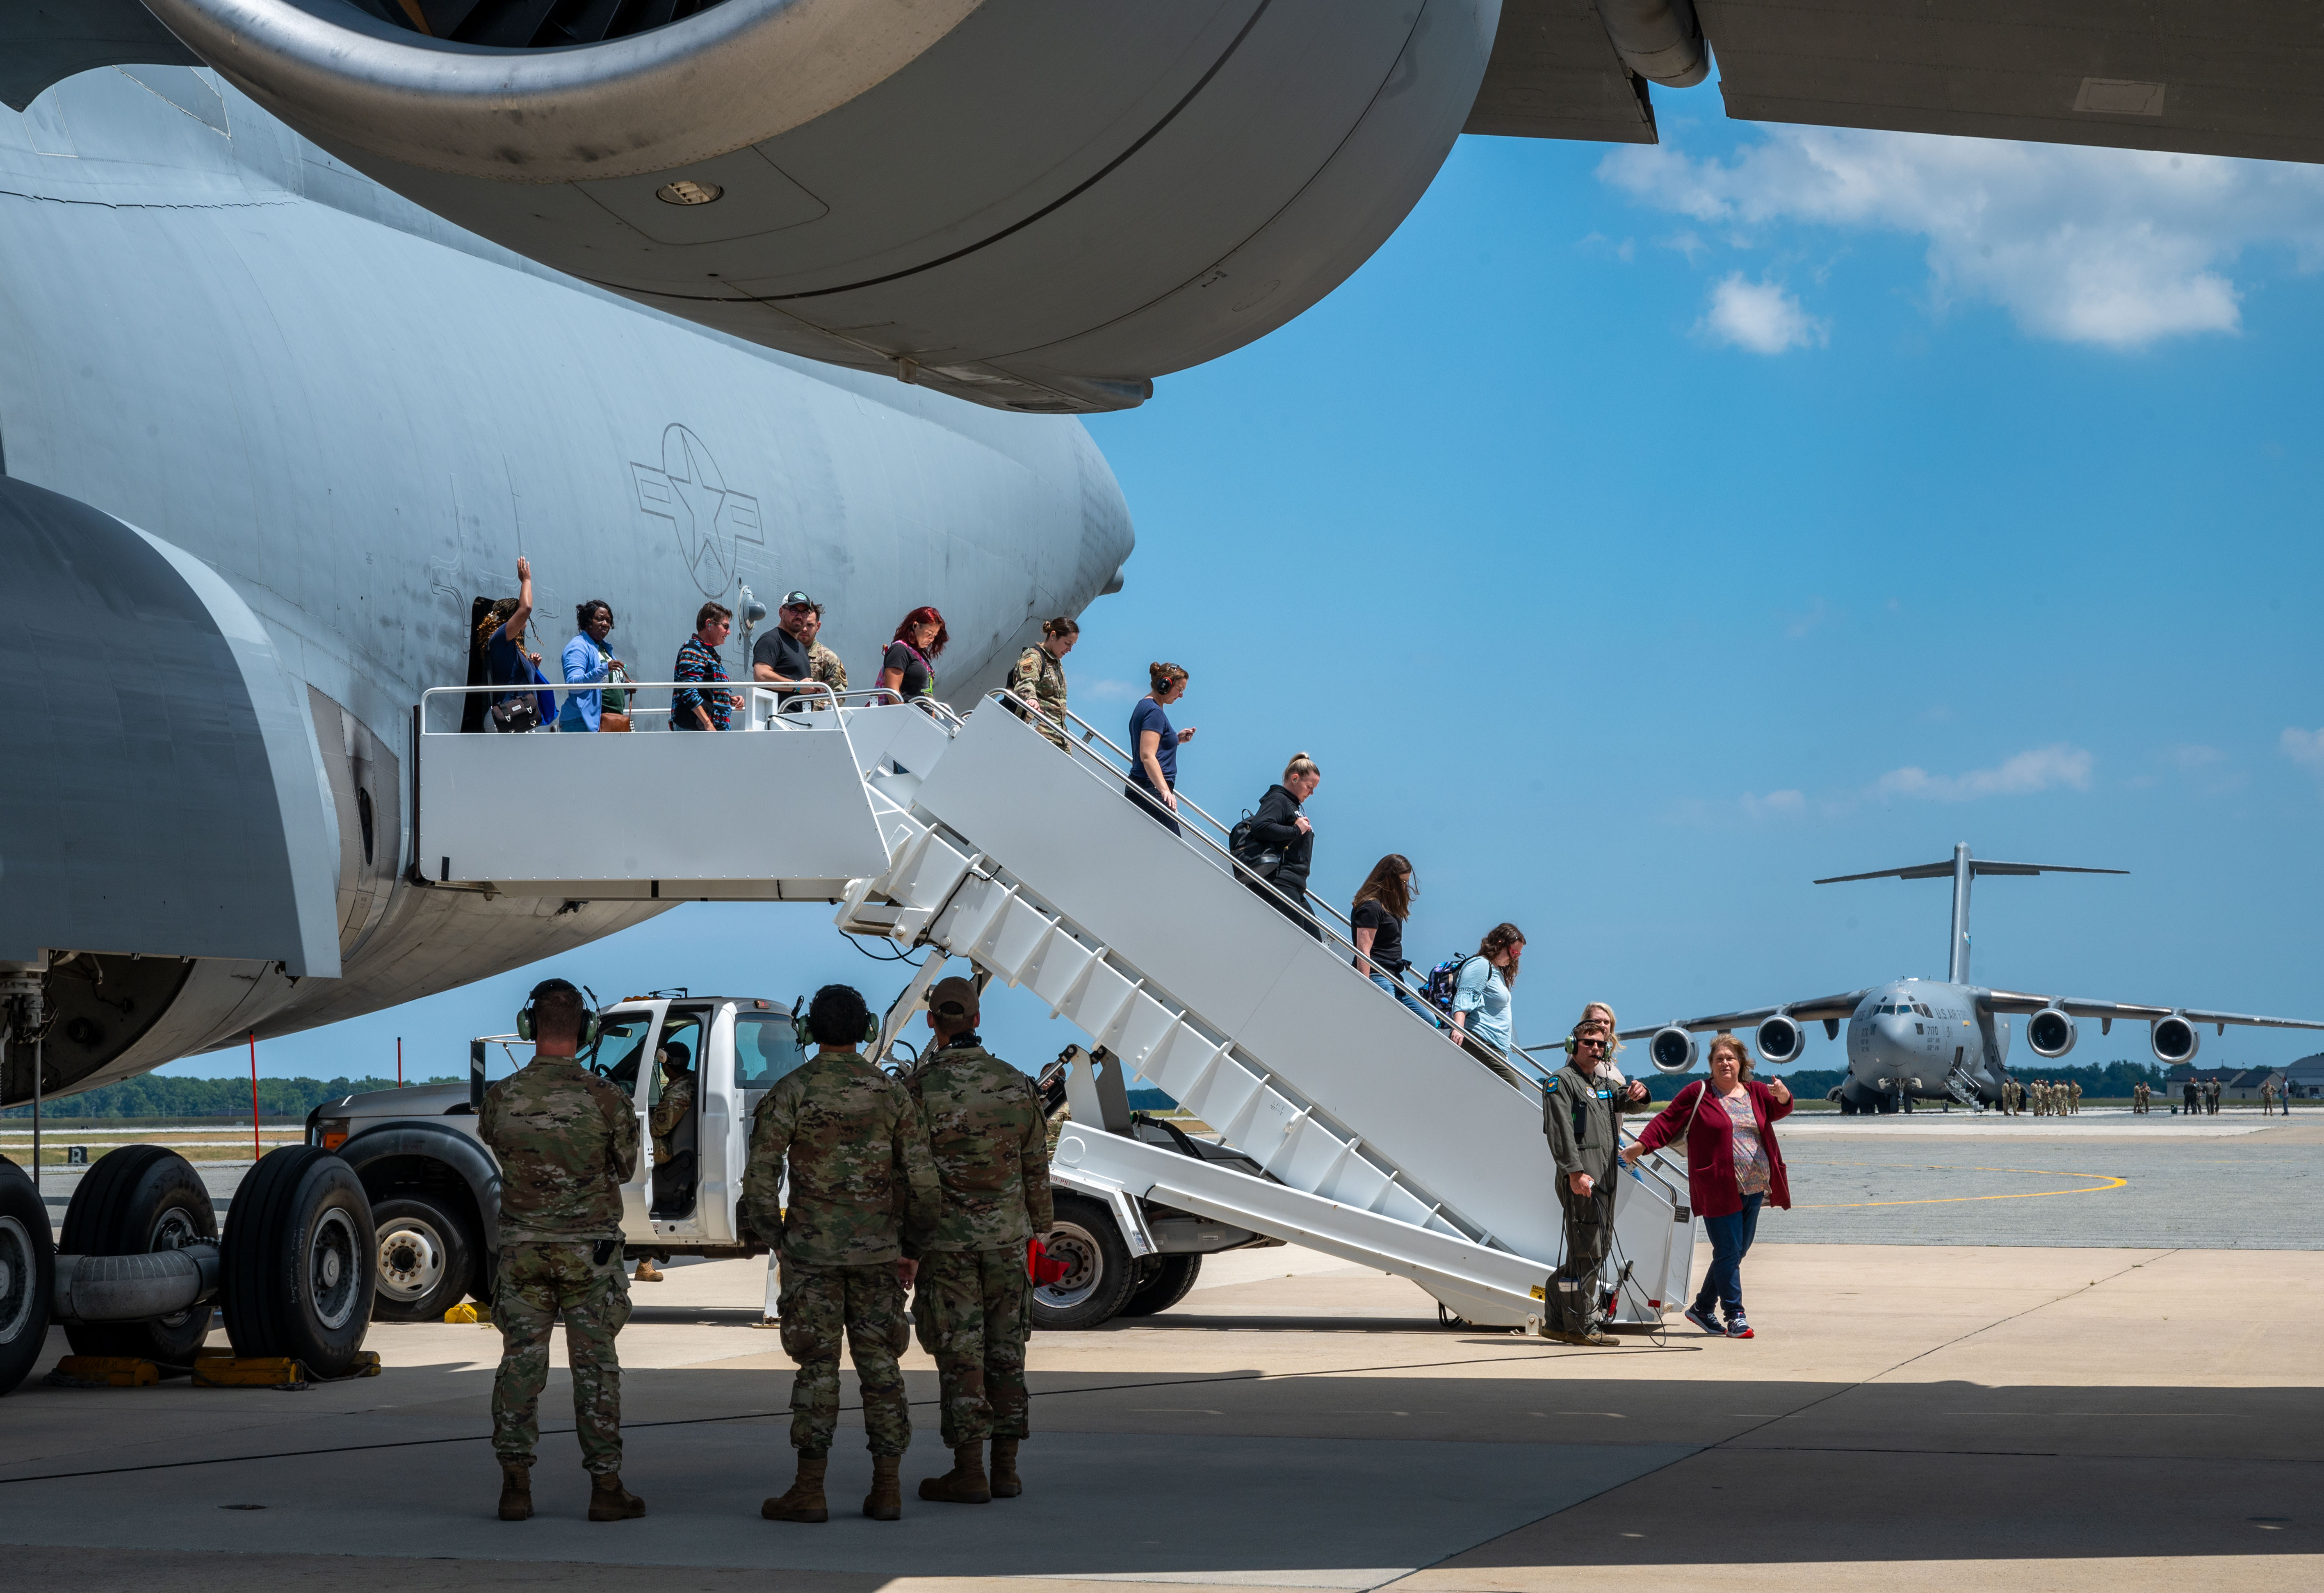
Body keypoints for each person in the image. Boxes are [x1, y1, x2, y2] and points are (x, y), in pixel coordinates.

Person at [746, 984, 940, 1525]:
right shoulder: (892, 1094)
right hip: (878, 1254)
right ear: (868, 1028)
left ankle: (809, 1490)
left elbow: (760, 1181)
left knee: (816, 1368)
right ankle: (886, 1490)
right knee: (881, 1369)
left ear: (808, 1032)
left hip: (812, 1255)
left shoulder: (791, 1091)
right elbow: (923, 1184)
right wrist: (912, 1246)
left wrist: (779, 1239)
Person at [478, 977, 645, 1522]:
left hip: (523, 1251)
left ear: (530, 1028)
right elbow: (624, 1167)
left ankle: (515, 1486)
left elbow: (499, 1148)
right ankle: (605, 1487)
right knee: (596, 1368)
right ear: (586, 1029)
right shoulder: (607, 1099)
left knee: (520, 1364)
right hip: (588, 1255)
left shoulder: (501, 1097)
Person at [900, 976, 1054, 1504]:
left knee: (961, 1356)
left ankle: (968, 1471)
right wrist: (1041, 1227)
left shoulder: (918, 1090)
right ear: (977, 1020)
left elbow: (910, 1175)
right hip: (1008, 1243)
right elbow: (1037, 1166)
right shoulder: (1015, 1083)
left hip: (948, 1247)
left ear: (931, 1022)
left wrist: (909, 1246)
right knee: (1007, 1352)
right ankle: (1006, 1470)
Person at [1623, 1032, 1793, 1340]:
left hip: (1753, 1187)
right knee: (1728, 1250)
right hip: (1717, 1186)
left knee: (1736, 1252)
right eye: (1719, 1059)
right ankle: (1735, 1315)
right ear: (1711, 1064)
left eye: (1730, 1058)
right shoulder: (1699, 1092)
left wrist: (1782, 1095)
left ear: (1741, 1063)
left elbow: (1779, 1111)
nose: (1725, 1063)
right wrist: (1641, 1145)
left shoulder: (1755, 1091)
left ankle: (1702, 1307)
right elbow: (1668, 1120)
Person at [1539, 1009, 1651, 1345]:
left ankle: (1559, 1319)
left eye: (1601, 1044)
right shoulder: (1561, 1082)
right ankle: (1581, 1325)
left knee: (1592, 1251)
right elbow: (1559, 1133)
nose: (1595, 1049)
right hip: (1583, 1180)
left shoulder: (1601, 1084)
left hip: (1605, 1178)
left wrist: (1639, 1095)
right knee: (1588, 1252)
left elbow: (1627, 1105)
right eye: (1588, 1043)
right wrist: (1575, 1174)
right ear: (1573, 1044)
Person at [1239, 754, 1321, 938]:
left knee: (1315, 941)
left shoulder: (1294, 805)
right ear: (1295, 779)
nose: (1312, 793)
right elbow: (1260, 826)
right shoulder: (1279, 799)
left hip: (1296, 885)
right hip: (1281, 880)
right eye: (1310, 787)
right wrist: (1295, 830)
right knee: (1299, 940)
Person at [1351, 855, 1433, 1021]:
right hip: (1378, 974)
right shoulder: (1371, 907)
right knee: (1388, 1020)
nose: (1405, 888)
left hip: (1395, 976)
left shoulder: (1389, 907)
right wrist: (1365, 986)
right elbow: (1363, 949)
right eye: (1402, 882)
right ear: (1389, 879)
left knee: (1429, 1019)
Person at [479, 555, 552, 732]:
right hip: (508, 717)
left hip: (519, 717)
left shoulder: (511, 646)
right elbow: (526, 608)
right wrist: (526, 580)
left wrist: (533, 666)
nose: (526, 621)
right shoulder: (499, 639)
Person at [1125, 662, 1195, 834]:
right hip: (1152, 789)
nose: (1181, 696)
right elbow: (1147, 755)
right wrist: (1165, 791)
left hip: (1148, 787)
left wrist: (1175, 740)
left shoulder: (1146, 706)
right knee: (1175, 852)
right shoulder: (1154, 711)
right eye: (1180, 690)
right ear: (1165, 685)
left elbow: (1153, 747)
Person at [1450, 923, 1525, 1062]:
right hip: (1481, 1040)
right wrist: (1458, 1029)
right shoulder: (1481, 965)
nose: (1515, 959)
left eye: (1518, 955)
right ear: (1500, 944)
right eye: (1514, 953)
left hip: (1496, 1047)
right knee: (1512, 1085)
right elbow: (1464, 997)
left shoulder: (1498, 972)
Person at [1006, 616, 1079, 750]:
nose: (1070, 650)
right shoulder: (1034, 656)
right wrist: (1031, 699)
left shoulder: (1057, 664)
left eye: (1073, 645)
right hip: (1036, 734)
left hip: (1059, 738)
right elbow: (1025, 682)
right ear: (1053, 636)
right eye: (1067, 643)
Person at [557, 599, 626, 732]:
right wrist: (604, 669)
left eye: (609, 621)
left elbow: (603, 686)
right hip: (582, 722)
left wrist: (626, 687)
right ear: (589, 621)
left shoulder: (603, 648)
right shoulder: (578, 646)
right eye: (600, 619)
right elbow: (573, 685)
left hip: (608, 720)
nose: (606, 624)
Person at [672, 601, 739, 731]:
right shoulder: (694, 649)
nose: (729, 632)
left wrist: (728, 699)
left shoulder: (708, 652)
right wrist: (708, 724)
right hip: (697, 732)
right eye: (725, 627)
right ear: (709, 624)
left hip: (710, 732)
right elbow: (687, 689)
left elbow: (706, 691)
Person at [751, 590, 820, 700]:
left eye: (804, 613)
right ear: (781, 612)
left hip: (799, 715)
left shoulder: (800, 647)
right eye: (794, 610)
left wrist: (812, 689)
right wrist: (797, 686)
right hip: (780, 715)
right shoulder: (771, 640)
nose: (799, 616)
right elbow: (761, 675)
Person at [878, 606, 947, 704]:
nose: (931, 639)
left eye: (934, 636)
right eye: (929, 634)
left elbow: (927, 694)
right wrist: (904, 717)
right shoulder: (899, 650)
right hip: (906, 716)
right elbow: (892, 691)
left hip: (923, 716)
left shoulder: (920, 657)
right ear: (915, 626)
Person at [803, 603, 848, 697]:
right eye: (802, 624)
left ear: (818, 627)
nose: (805, 629)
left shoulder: (828, 659)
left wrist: (811, 706)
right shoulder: (784, 652)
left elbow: (839, 695)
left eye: (810, 625)